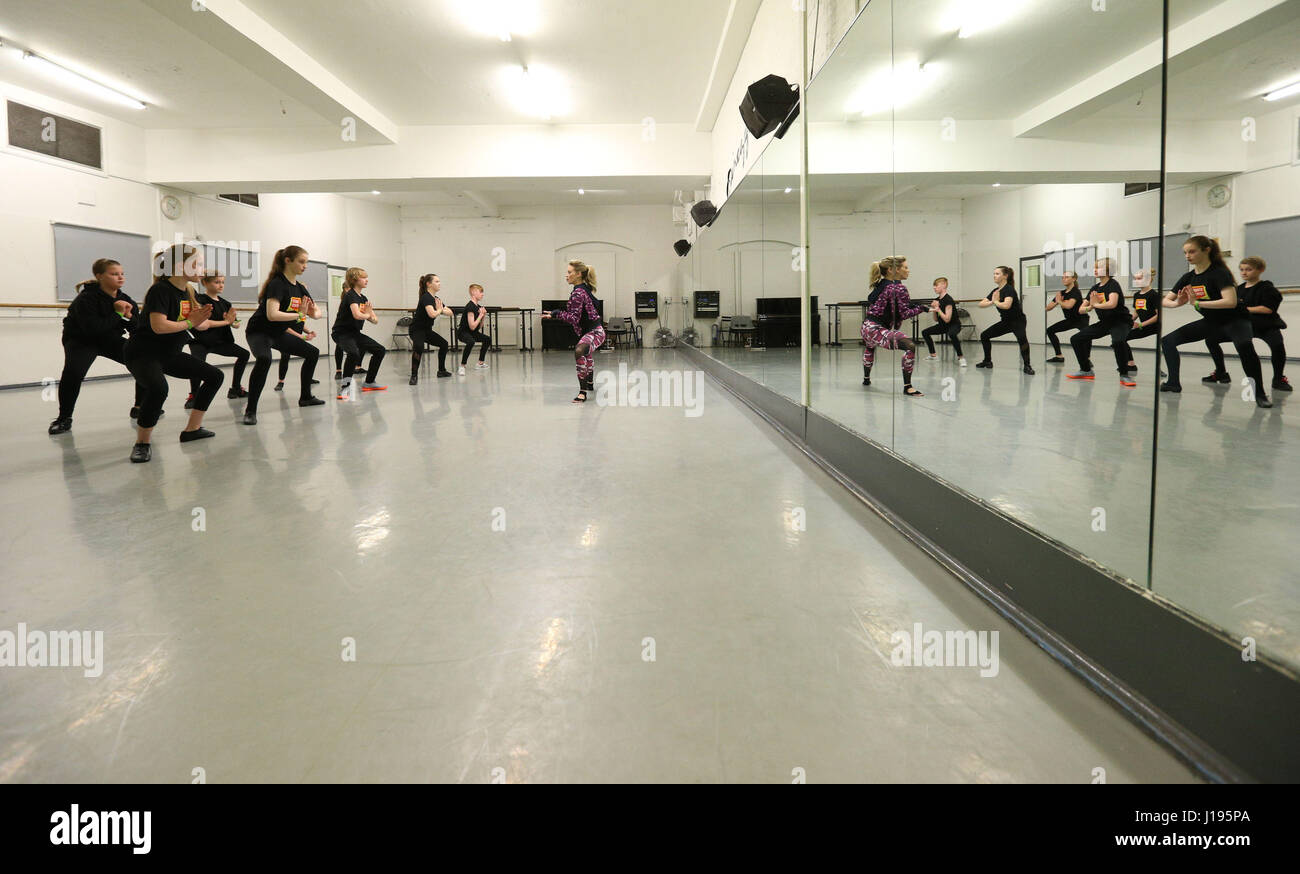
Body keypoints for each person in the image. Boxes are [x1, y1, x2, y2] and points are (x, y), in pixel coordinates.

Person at [123, 243, 224, 462]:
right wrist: (191, 322)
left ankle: (192, 430)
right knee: (159, 389)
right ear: (180, 266)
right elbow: (160, 326)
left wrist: (222, 321)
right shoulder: (160, 290)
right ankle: (142, 443)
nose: (202, 270)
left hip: (169, 353)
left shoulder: (188, 291)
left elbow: (198, 325)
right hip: (143, 353)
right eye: (198, 265)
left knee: (215, 376)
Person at [1159, 235, 1271, 408]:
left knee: (1245, 348)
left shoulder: (1219, 273)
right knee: (1167, 341)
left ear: (1206, 250)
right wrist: (1177, 303)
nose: (1187, 256)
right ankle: (1173, 383)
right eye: (1185, 253)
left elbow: (1230, 302)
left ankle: (1260, 394)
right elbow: (1165, 300)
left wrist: (1197, 303)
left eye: (1192, 251)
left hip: (1236, 321)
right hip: (1212, 321)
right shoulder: (1188, 277)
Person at [48, 258, 146, 434]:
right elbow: (93, 329)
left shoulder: (125, 299)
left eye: (122, 274)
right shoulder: (86, 299)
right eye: (114, 274)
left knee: (143, 360)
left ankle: (139, 407)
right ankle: (64, 418)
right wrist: (118, 313)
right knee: (73, 373)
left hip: (109, 339)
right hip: (82, 341)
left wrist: (129, 316)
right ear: (100, 276)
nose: (120, 277)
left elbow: (136, 328)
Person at [242, 245, 326, 425]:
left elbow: (317, 312)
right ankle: (250, 411)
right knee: (264, 359)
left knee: (312, 352)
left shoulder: (300, 288)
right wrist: (302, 315)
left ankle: (306, 397)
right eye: (301, 262)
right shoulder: (277, 283)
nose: (305, 266)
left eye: (306, 262)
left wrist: (311, 313)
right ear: (288, 261)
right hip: (259, 332)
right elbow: (273, 315)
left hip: (278, 332)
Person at [1203, 257, 1290, 392]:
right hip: (1243, 325)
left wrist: (1243, 309)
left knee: (1277, 345)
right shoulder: (1238, 290)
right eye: (1242, 270)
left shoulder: (1267, 288)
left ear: (1260, 270)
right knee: (1211, 340)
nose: (1244, 273)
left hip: (1266, 325)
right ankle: (1221, 373)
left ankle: (1278, 379)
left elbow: (1267, 309)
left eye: (1248, 270)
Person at [859, 256, 927, 396]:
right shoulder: (898, 288)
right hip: (876, 329)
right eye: (905, 267)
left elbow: (892, 304)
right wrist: (921, 309)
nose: (908, 270)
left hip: (866, 327)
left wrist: (918, 306)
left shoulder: (882, 283)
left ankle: (866, 379)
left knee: (870, 347)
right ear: (892, 269)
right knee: (909, 346)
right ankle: (908, 387)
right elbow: (903, 313)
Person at [541, 260, 604, 402]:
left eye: (569, 272)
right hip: (592, 331)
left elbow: (573, 318)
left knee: (580, 350)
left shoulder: (578, 293)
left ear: (578, 274)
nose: (566, 275)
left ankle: (582, 392)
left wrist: (555, 313)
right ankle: (589, 384)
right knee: (586, 353)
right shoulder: (583, 289)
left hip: (595, 332)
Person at [185, 271, 249, 408]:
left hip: (220, 342)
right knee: (196, 364)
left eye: (222, 282)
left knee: (244, 354)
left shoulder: (226, 303)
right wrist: (226, 321)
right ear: (205, 283)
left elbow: (236, 324)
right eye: (217, 282)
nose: (221, 285)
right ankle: (194, 394)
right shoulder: (199, 299)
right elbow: (203, 322)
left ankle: (235, 388)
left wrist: (231, 321)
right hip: (201, 341)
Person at [1068, 258, 1135, 387]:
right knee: (1076, 339)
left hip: (1121, 321)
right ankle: (1086, 370)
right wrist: (1091, 306)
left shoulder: (1113, 284)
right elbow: (1081, 309)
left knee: (1118, 341)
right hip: (1105, 323)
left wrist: (1095, 304)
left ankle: (1124, 375)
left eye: (1098, 267)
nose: (1095, 269)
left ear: (1108, 270)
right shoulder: (1094, 288)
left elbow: (1112, 303)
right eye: (1095, 267)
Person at [332, 266, 387, 397]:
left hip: (354, 333)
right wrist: (368, 315)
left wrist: (369, 315)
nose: (367, 280)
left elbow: (375, 320)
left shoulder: (363, 298)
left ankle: (369, 382)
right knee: (353, 353)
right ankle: (345, 388)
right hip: (341, 333)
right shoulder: (350, 295)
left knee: (380, 350)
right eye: (363, 277)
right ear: (355, 280)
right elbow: (357, 315)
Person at [976, 266, 1034, 374]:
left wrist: (995, 301)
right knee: (984, 335)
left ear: (1005, 276)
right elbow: (981, 304)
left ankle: (1027, 366)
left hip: (1018, 321)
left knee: (1022, 340)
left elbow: (1007, 305)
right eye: (994, 273)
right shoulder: (995, 291)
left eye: (997, 274)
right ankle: (987, 361)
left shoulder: (1009, 289)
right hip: (1006, 322)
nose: (994, 276)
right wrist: (993, 301)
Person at [409, 273, 453, 384]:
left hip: (427, 330)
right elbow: (432, 314)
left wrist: (440, 310)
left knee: (444, 344)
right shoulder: (426, 297)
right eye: (437, 281)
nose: (439, 283)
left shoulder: (436, 299)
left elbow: (450, 312)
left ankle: (441, 371)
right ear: (429, 284)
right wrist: (439, 310)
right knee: (419, 347)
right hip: (416, 330)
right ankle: (414, 376)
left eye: (439, 281)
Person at [920, 277, 966, 366]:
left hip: (954, 325)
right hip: (943, 325)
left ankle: (961, 358)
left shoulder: (948, 300)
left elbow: (947, 319)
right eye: (934, 286)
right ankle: (933, 355)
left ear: (944, 285)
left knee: (952, 334)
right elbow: (936, 319)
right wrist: (934, 309)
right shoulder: (937, 300)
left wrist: (937, 309)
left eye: (936, 285)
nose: (934, 287)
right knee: (925, 332)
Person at [1044, 271, 1087, 363]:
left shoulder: (1076, 291)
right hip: (1070, 320)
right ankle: (1059, 356)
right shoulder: (1061, 293)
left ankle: (1087, 359)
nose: (1064, 279)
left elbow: (1069, 306)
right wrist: (1057, 301)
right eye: (1063, 277)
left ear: (1074, 279)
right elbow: (1048, 308)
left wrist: (1059, 301)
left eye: (1067, 277)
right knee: (1050, 331)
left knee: (1086, 336)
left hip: (1081, 319)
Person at [1124, 267, 1162, 373]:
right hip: (1143, 326)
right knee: (1120, 338)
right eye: (1135, 279)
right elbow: (1137, 311)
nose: (1137, 281)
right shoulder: (1136, 295)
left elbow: (1158, 316)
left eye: (1139, 278)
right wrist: (1128, 321)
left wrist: (1141, 324)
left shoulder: (1154, 295)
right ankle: (1130, 364)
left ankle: (1158, 369)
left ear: (1149, 279)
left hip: (1153, 326)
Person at [457, 283, 491, 375]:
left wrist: (483, 316)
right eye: (481, 292)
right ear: (473, 293)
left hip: (472, 332)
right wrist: (480, 315)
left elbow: (478, 327)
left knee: (487, 339)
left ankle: (480, 363)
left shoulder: (478, 307)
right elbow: (472, 326)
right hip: (463, 333)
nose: (482, 294)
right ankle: (462, 366)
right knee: (471, 342)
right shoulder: (470, 306)